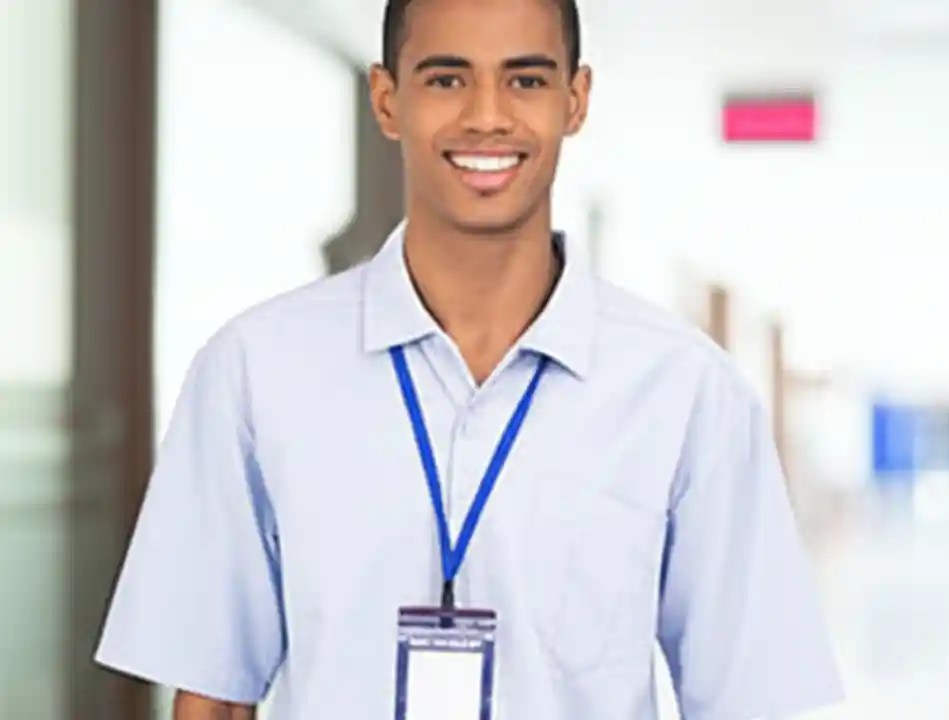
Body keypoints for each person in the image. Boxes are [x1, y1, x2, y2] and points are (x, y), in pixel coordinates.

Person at [95, 0, 843, 717]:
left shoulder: (688, 393)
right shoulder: (253, 373)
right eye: (447, 78)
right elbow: (214, 696)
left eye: (526, 79)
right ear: (387, 100)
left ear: (576, 100)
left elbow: (746, 702)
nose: (487, 115)